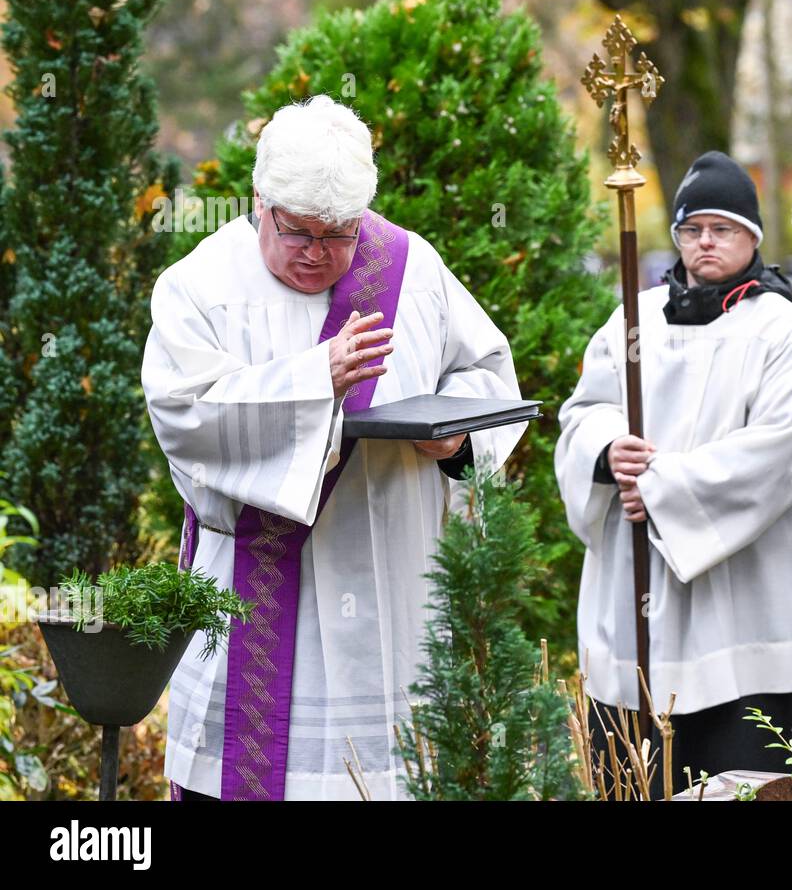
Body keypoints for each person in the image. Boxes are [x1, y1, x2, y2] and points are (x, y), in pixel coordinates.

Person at [142, 95, 526, 800]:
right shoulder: (200, 286)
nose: (318, 254)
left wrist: (460, 440)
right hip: (255, 595)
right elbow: (184, 412)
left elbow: (484, 371)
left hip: (391, 591)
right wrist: (315, 378)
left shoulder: (409, 268)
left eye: (339, 235)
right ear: (260, 200)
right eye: (298, 232)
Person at [555, 151, 792, 797]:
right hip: (637, 604)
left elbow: (777, 455)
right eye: (692, 229)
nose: (705, 242)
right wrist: (606, 452)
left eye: (723, 229)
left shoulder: (786, 336)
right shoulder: (633, 319)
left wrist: (656, 485)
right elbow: (586, 412)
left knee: (744, 783)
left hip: (748, 612)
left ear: (754, 238)